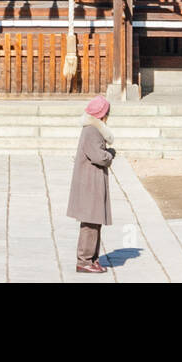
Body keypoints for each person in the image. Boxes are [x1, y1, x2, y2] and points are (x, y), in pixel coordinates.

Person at [66, 94, 115, 274]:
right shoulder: (92, 131)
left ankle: (92, 258)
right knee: (90, 222)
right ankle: (84, 260)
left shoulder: (94, 129)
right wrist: (110, 154)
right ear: (103, 114)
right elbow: (98, 156)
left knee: (94, 222)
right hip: (89, 183)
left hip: (92, 181)